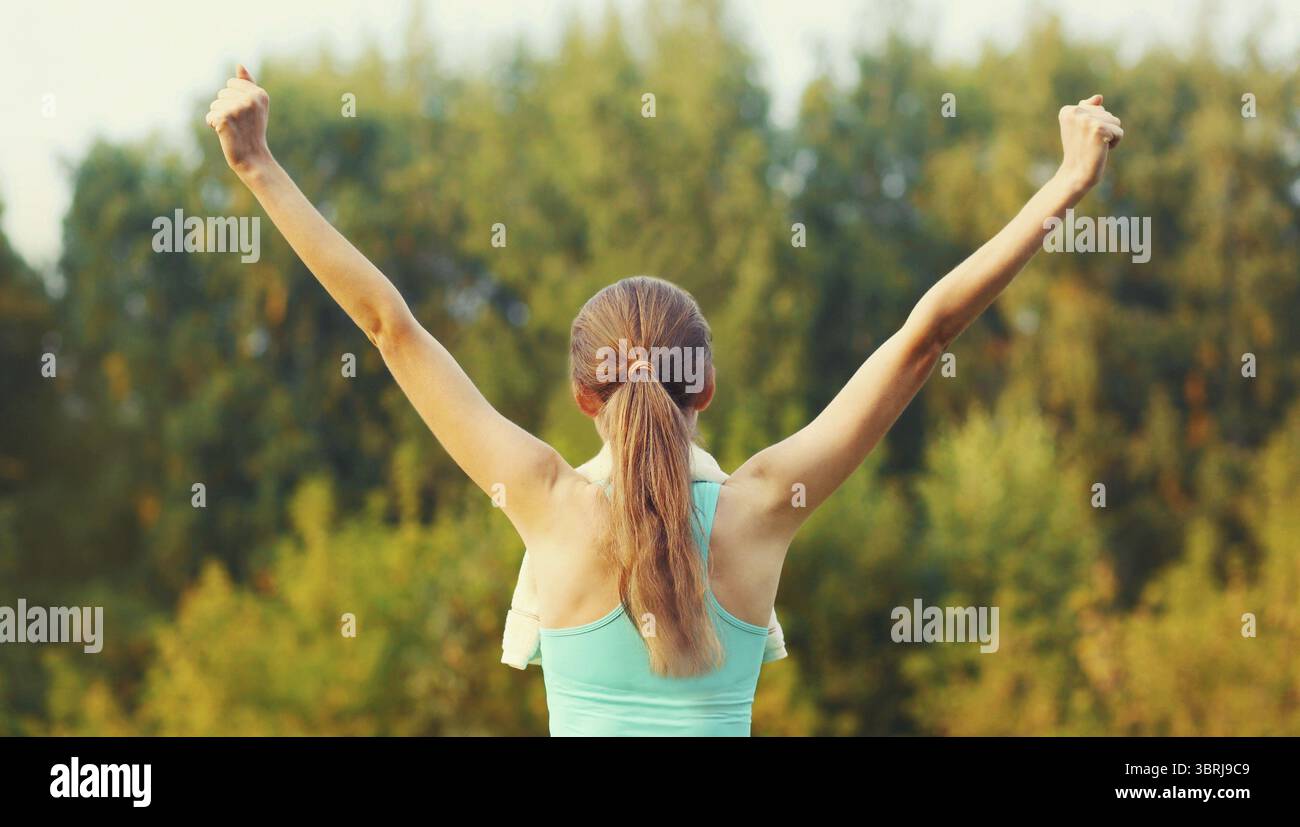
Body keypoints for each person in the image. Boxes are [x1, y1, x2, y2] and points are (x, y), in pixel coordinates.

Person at [206, 65, 1122, 735]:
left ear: (580, 395)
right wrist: (1064, 184)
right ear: (708, 389)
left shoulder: (546, 504)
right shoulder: (765, 509)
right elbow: (925, 339)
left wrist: (258, 167)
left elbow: (389, 327)